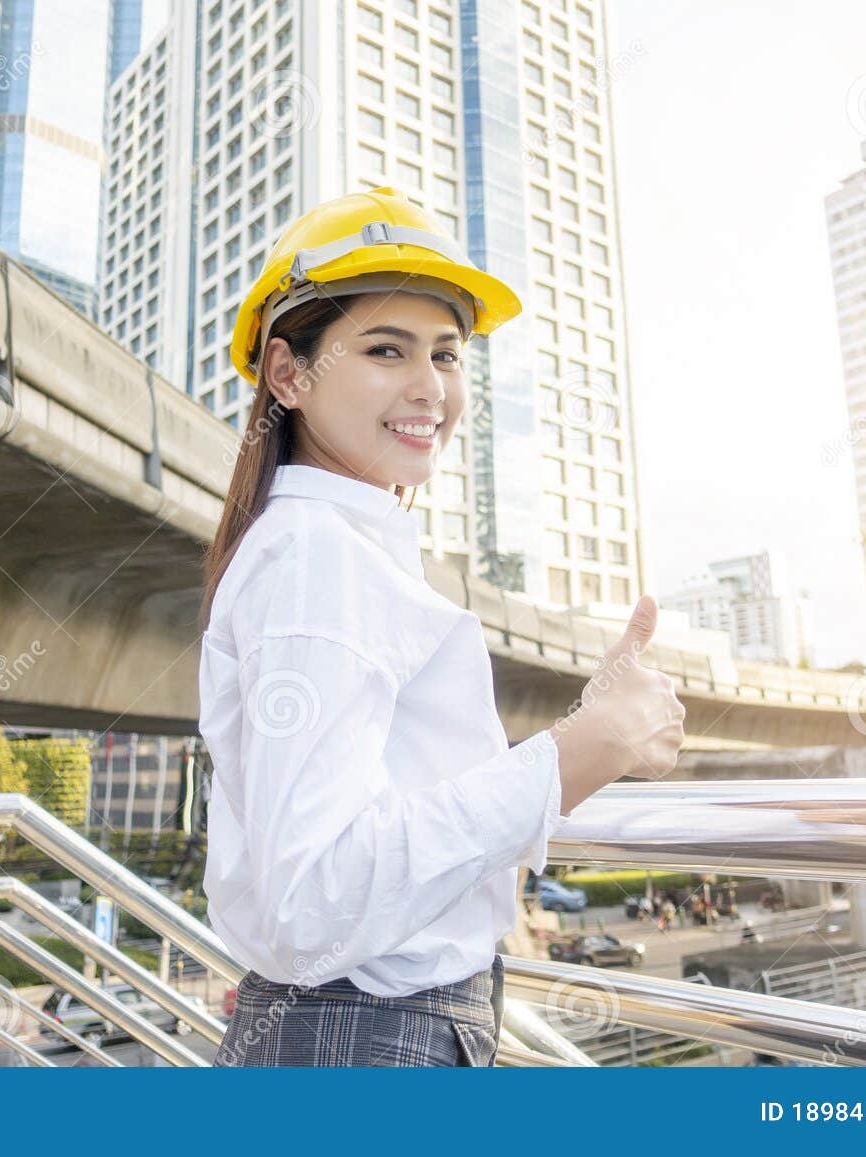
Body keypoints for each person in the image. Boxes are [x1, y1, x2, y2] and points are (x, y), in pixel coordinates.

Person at [200, 187, 686, 1067]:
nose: (431, 388)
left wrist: (583, 731)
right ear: (288, 374)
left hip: (371, 1032)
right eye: (386, 349)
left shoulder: (340, 543)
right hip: (362, 1039)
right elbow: (313, 897)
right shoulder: (316, 551)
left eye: (448, 355)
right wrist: (583, 750)